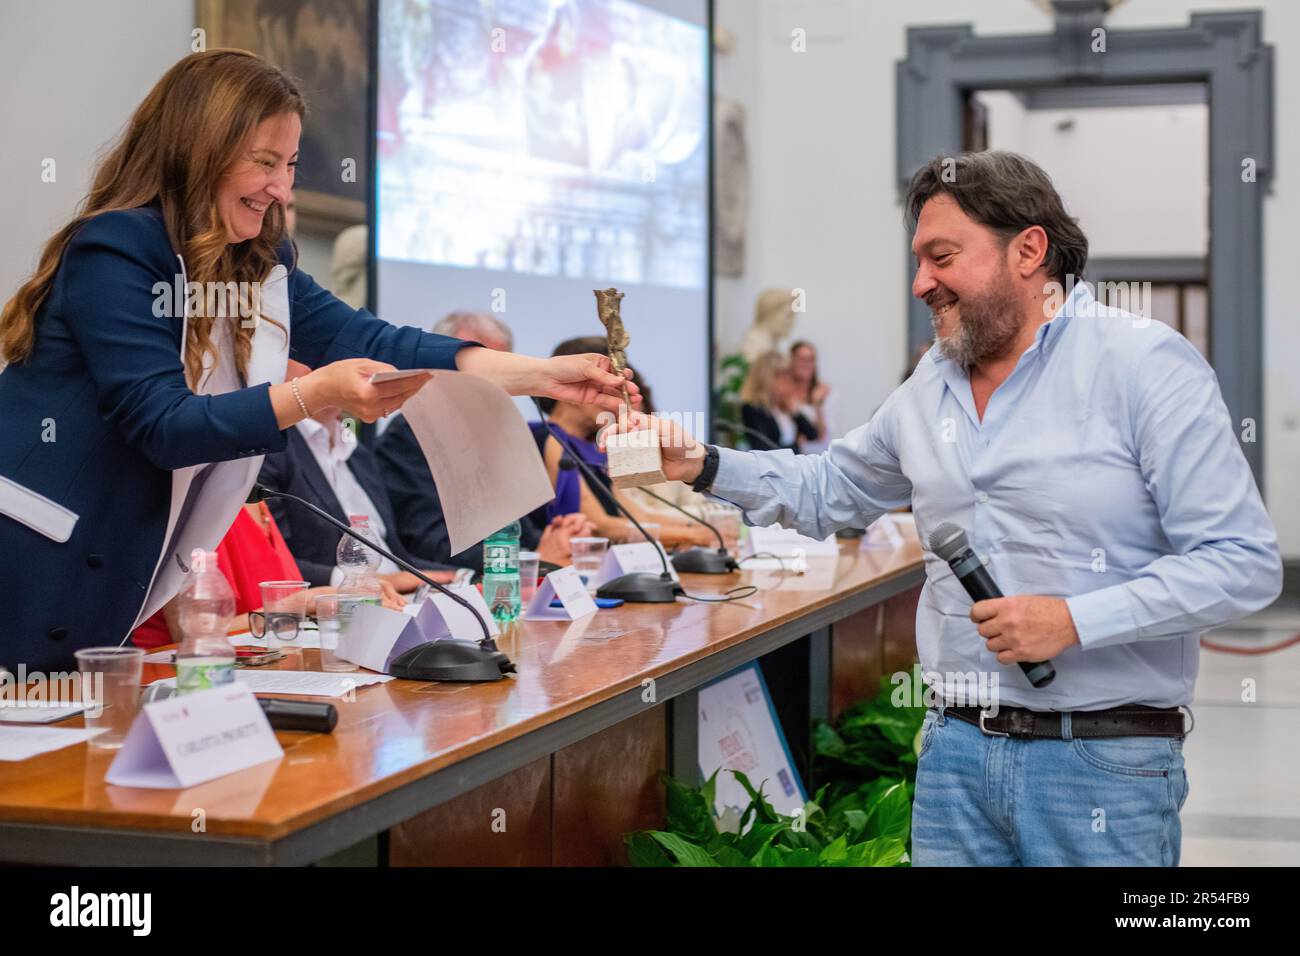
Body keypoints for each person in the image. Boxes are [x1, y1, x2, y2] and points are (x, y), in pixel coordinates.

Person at [634, 150, 1283, 866]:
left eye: (942, 257)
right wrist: (703, 464)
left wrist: (1073, 619)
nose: (921, 283)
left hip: (1102, 764)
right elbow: (830, 491)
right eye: (918, 261)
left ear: (1029, 250)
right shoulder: (930, 382)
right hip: (955, 759)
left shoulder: (1142, 365)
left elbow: (1242, 563)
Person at [0, 50, 635, 672]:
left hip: (114, 573)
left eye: (291, 164)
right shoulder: (118, 246)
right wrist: (317, 394)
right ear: (198, 153)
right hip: (35, 561)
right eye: (264, 162)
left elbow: (372, 338)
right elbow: (164, 426)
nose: (281, 187)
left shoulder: (261, 263)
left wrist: (540, 376)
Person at [376, 312, 594, 571]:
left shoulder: (494, 431)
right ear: (430, 370)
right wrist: (532, 558)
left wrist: (559, 537)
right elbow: (430, 546)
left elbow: (518, 530)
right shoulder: (408, 436)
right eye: (473, 369)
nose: (486, 385)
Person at [256, 360, 460, 592]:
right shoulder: (270, 450)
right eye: (309, 354)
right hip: (334, 605)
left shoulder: (357, 451)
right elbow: (271, 562)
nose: (329, 363)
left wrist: (461, 577)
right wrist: (355, 581)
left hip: (399, 596)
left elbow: (394, 557)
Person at [539, 337, 712, 551]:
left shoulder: (594, 448)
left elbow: (637, 516)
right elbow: (600, 527)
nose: (616, 401)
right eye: (609, 388)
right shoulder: (548, 437)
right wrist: (692, 535)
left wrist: (702, 529)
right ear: (573, 383)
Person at [739, 351, 818, 452]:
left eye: (787, 374)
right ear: (766, 377)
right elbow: (762, 447)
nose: (787, 379)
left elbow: (812, 434)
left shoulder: (783, 405)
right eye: (781, 375)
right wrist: (794, 448)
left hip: (793, 464)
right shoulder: (753, 407)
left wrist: (795, 412)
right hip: (773, 466)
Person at [788, 340, 831, 453]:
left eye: (811, 359)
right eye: (802, 359)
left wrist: (817, 405)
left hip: (820, 455)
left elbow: (825, 435)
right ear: (791, 360)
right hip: (794, 456)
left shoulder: (826, 393)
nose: (806, 364)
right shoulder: (784, 394)